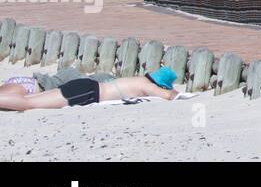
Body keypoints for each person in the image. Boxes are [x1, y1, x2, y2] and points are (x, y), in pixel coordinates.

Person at [0, 67, 181, 111]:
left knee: (33, 100)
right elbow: (167, 95)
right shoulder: (146, 85)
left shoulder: (139, 79)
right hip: (88, 93)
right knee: (29, 104)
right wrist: (175, 93)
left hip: (84, 86)